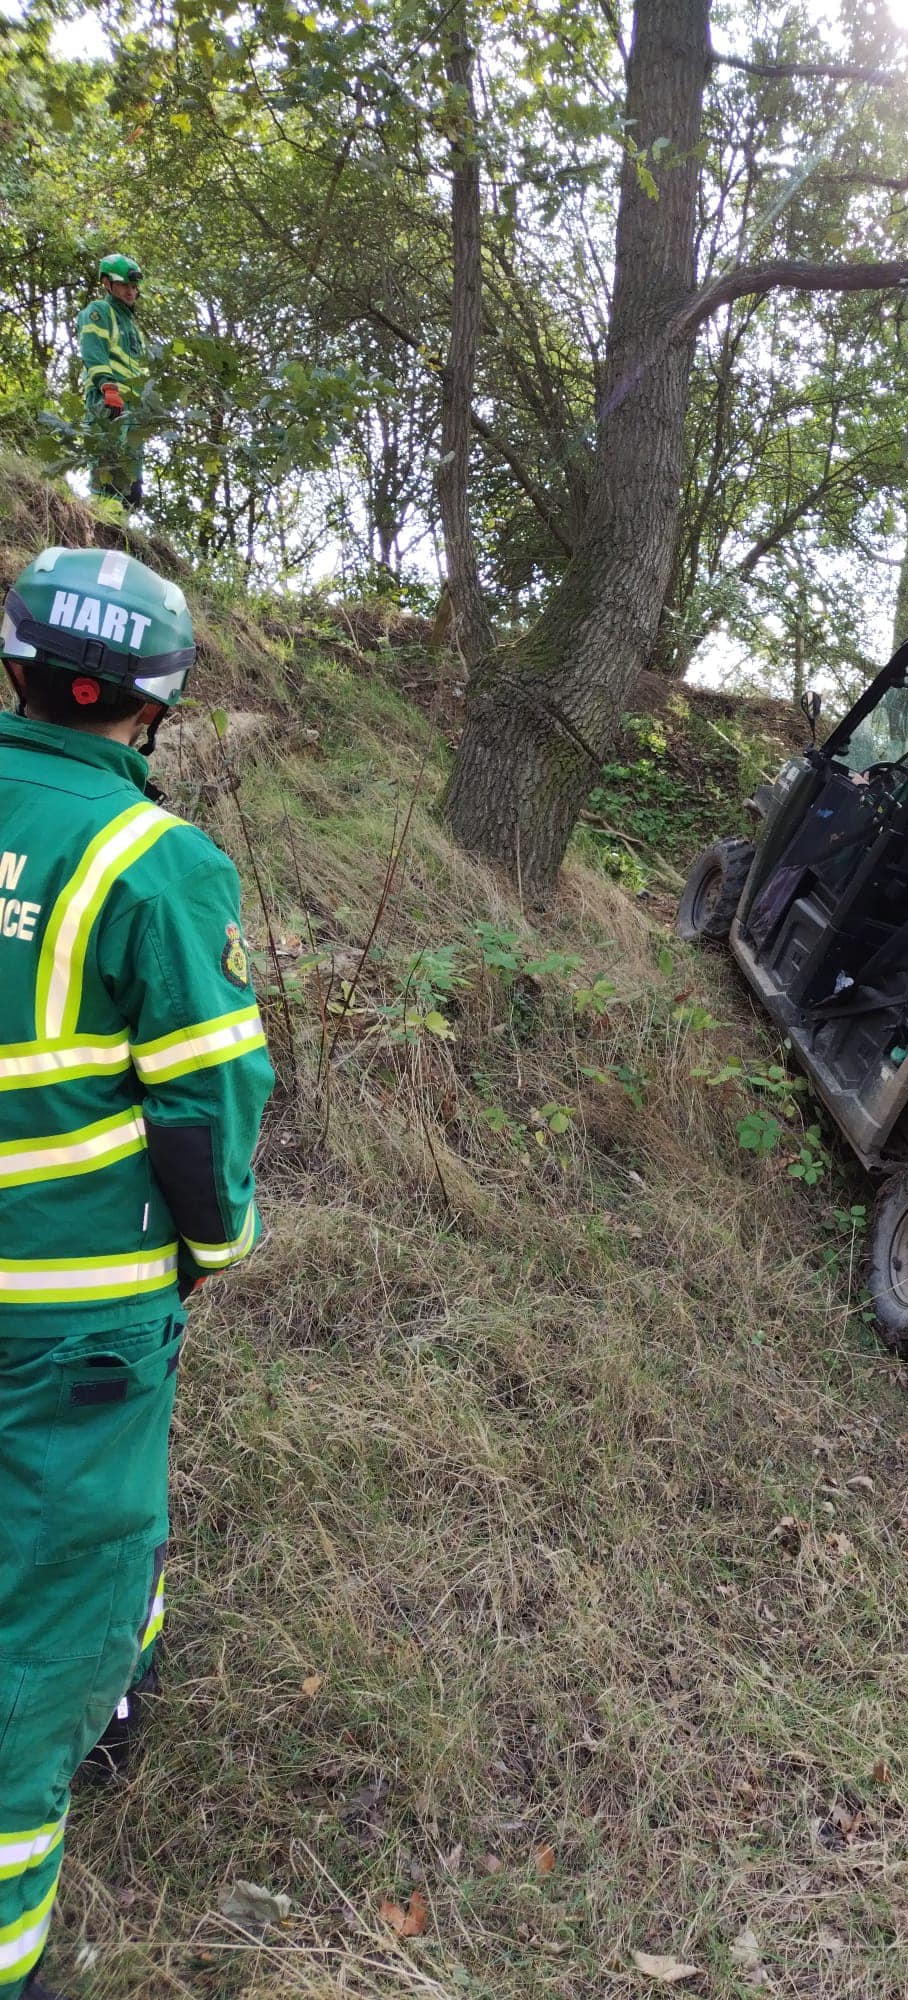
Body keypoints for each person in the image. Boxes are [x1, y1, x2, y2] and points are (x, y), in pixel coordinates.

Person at [0, 546, 275, 1999]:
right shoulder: (153, 868)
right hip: (70, 1326)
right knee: (56, 1583)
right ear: (154, 711)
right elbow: (207, 1102)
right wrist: (214, 1244)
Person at [76, 255, 149, 510]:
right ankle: (98, 523)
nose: (130, 292)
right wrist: (108, 387)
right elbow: (93, 351)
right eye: (124, 286)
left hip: (132, 409)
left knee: (131, 482)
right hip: (108, 400)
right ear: (107, 284)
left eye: (133, 287)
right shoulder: (99, 312)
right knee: (107, 466)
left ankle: (120, 531)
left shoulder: (132, 327)